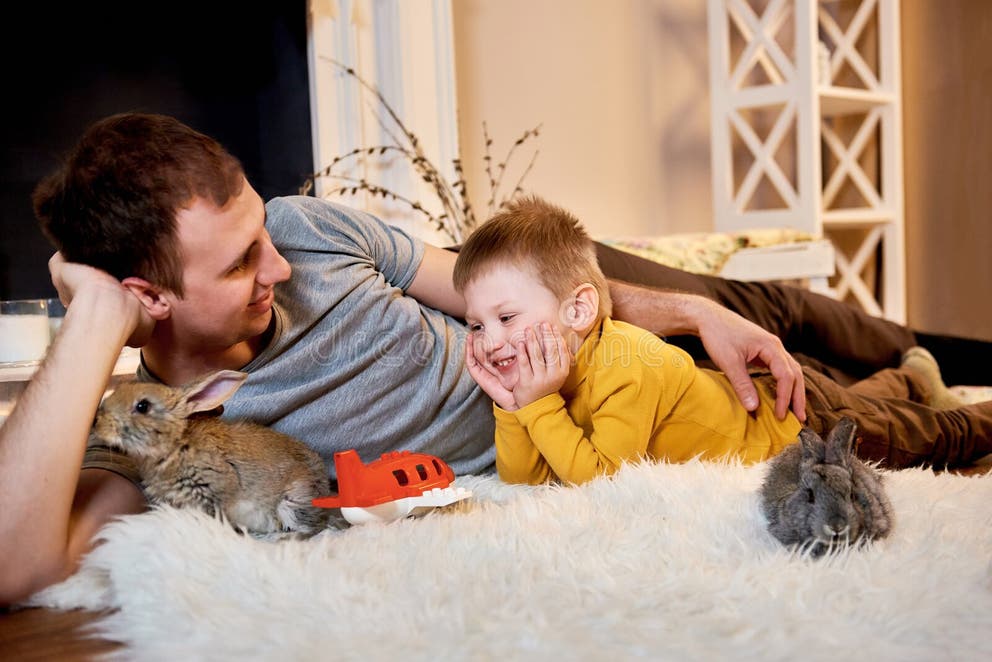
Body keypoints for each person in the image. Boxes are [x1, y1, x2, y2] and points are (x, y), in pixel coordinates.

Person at [0, 112, 984, 606]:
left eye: (261, 232)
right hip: (566, 426)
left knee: (786, 334)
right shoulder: (173, 425)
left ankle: (923, 366)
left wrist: (692, 311)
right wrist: (90, 323)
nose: (277, 264)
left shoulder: (306, 229)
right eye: (239, 262)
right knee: (855, 419)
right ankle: (917, 383)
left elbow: (487, 292)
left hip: (594, 348)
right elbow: (17, 562)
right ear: (148, 297)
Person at [452, 196, 992, 485]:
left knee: (936, 438)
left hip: (800, 425)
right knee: (873, 402)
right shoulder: (545, 378)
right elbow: (527, 483)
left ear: (578, 309)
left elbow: (598, 480)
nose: (491, 342)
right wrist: (512, 408)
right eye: (476, 325)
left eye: (506, 318)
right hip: (782, 410)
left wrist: (537, 407)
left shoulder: (629, 364)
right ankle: (910, 378)